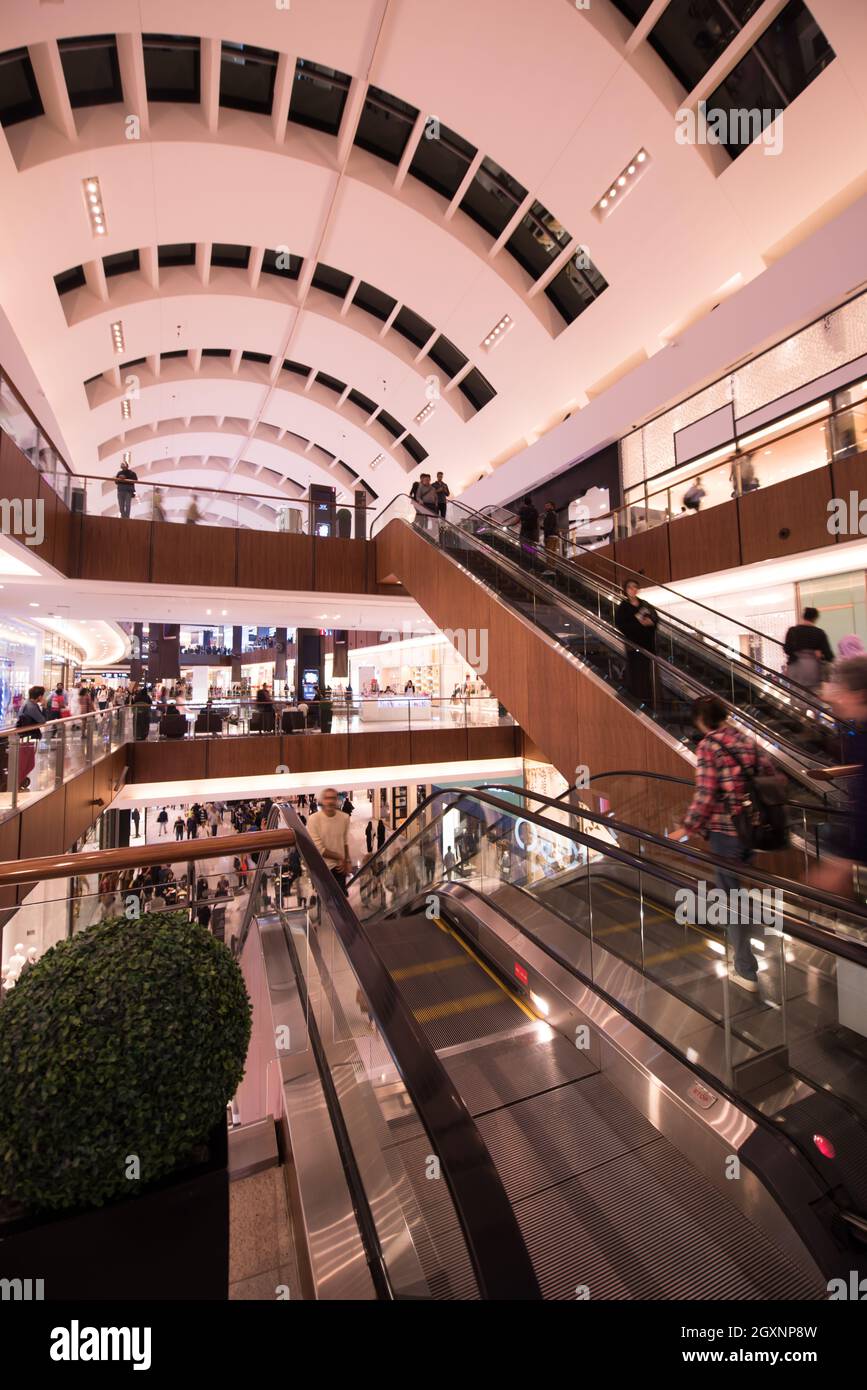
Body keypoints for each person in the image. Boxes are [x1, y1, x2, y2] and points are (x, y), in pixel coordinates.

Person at [669, 695, 777, 992]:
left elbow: (705, 793)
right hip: (751, 830)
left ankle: (745, 970)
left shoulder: (708, 745)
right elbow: (769, 774)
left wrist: (685, 829)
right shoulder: (743, 739)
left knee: (731, 899)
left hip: (724, 832)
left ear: (701, 720)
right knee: (739, 894)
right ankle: (745, 959)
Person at [809, 656, 867, 897]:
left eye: (841, 691)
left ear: (860, 694)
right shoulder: (859, 735)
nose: (834, 699)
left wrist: (844, 860)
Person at [615, 580, 658, 707]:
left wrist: (651, 623)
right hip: (633, 647)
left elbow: (655, 619)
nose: (633, 590)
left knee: (648, 675)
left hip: (648, 646)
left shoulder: (645, 604)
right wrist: (638, 623)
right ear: (626, 590)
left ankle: (650, 703)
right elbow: (621, 625)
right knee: (636, 674)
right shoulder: (623, 607)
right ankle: (638, 703)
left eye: (635, 587)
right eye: (630, 587)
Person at [308, 787, 351, 894]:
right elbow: (319, 849)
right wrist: (340, 857)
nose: (330, 801)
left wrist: (348, 860)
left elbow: (345, 842)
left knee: (340, 899)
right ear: (322, 801)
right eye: (327, 798)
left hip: (339, 868)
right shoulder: (313, 819)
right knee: (325, 899)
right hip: (322, 868)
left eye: (333, 798)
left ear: (337, 800)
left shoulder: (344, 818)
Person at [783, 608, 834, 689]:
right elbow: (829, 656)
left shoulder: (792, 631)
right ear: (815, 618)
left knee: (796, 694)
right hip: (813, 669)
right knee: (813, 696)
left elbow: (787, 649)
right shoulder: (819, 633)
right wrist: (820, 655)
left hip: (795, 667)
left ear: (803, 617)